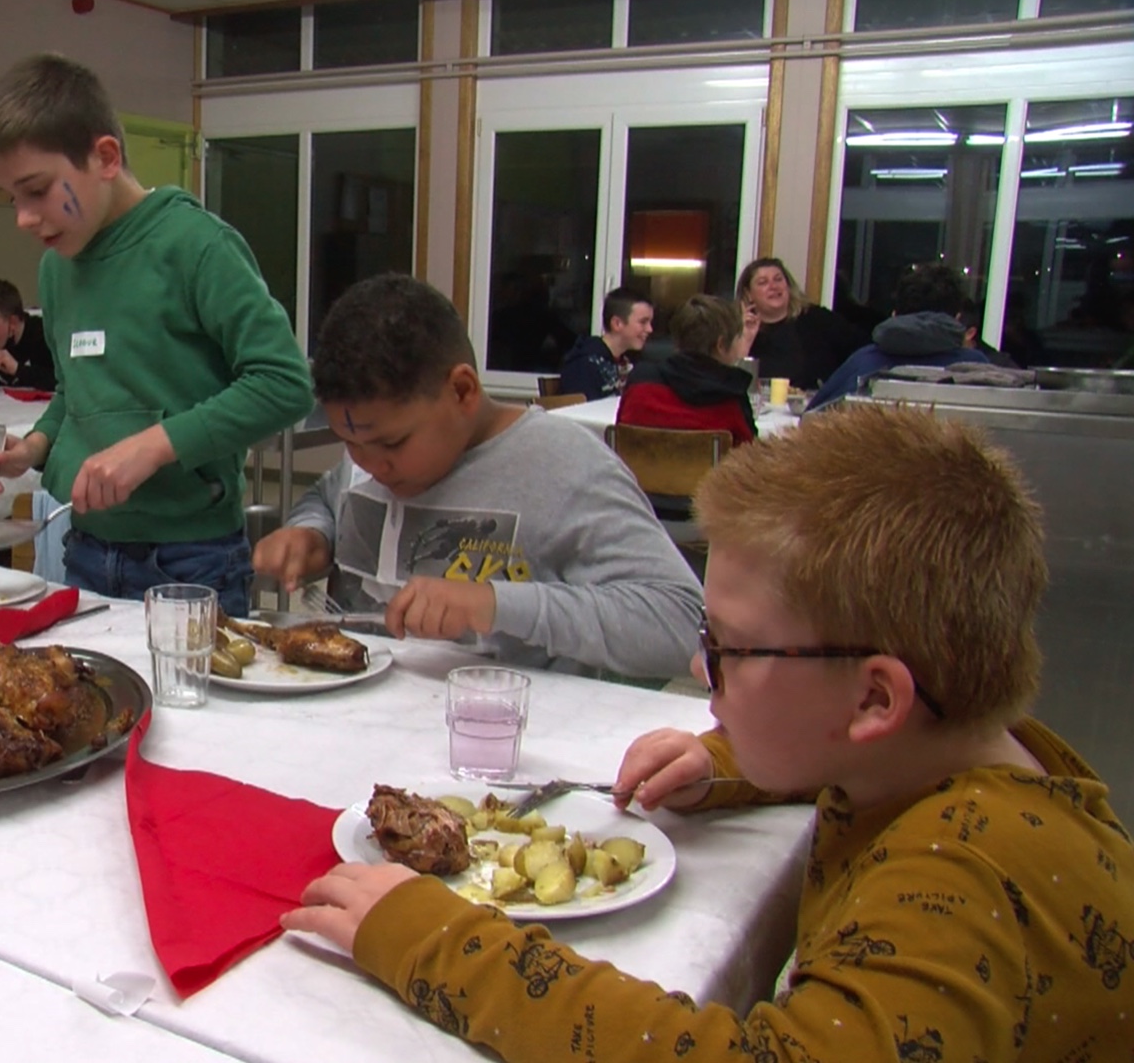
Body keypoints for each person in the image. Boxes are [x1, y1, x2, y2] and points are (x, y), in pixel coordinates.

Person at [282, 404, 1132, 1062]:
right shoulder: (958, 747)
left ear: (875, 699)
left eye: (729, 647)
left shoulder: (957, 880)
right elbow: (848, 727)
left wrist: (442, 942)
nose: (698, 670)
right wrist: (725, 760)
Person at [0, 54, 314, 615]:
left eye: (37, 190)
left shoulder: (195, 245)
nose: (24, 219)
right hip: (89, 551)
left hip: (190, 559)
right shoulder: (58, 267)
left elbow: (284, 384)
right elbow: (78, 394)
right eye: (12, 199)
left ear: (105, 157)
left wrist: (152, 448)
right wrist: (32, 448)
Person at [253, 275, 700, 678]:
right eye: (349, 442)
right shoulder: (373, 450)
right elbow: (329, 496)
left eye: (391, 445)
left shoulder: (564, 466)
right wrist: (311, 532)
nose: (370, 465)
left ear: (462, 390)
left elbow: (681, 624)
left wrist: (495, 603)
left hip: (496, 738)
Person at [809, 264, 992, 411]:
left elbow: (810, 423)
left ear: (895, 314)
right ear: (958, 319)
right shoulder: (977, 372)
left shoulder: (862, 363)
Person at [617, 293, 759, 446]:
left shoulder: (640, 381)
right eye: (738, 339)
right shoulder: (732, 396)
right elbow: (751, 456)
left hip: (639, 469)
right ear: (721, 344)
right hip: (710, 470)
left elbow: (620, 436)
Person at [739, 256, 865, 390]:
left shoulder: (816, 319)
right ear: (748, 294)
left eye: (778, 279)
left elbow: (862, 349)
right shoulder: (738, 328)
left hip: (813, 406)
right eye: (763, 282)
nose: (773, 286)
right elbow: (733, 379)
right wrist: (746, 338)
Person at [557, 286, 652, 401]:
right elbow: (583, 413)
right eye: (643, 322)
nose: (649, 329)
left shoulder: (628, 362)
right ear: (617, 323)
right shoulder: (584, 365)